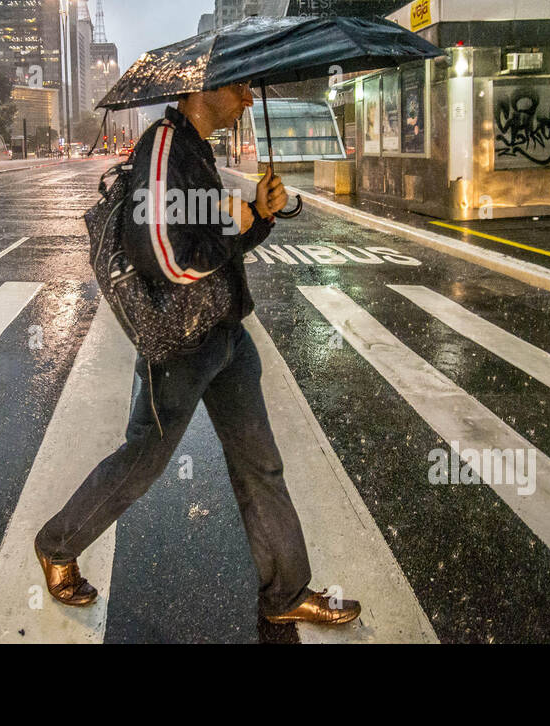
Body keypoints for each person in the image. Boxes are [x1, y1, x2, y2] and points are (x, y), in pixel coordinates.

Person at [34, 81, 362, 626]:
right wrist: (240, 223)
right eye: (240, 88)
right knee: (143, 461)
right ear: (201, 89)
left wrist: (260, 215)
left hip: (226, 336)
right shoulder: (163, 147)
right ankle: (58, 543)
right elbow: (163, 256)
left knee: (261, 464)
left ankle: (284, 594)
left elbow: (215, 247)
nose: (248, 100)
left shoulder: (195, 149)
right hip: (181, 343)